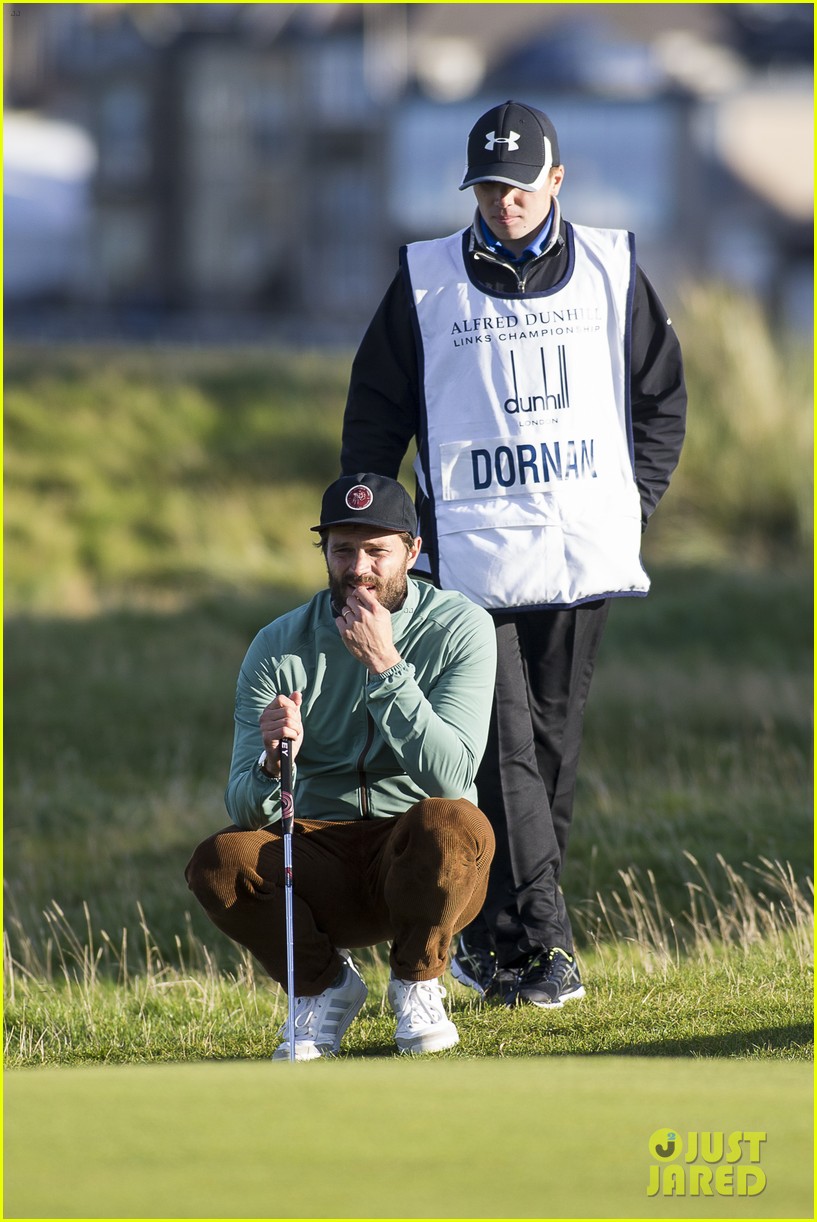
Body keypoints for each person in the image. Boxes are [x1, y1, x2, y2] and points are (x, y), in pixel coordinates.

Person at [340, 100, 687, 1009]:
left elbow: (660, 402)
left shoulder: (612, 270)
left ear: (556, 180)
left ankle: (505, 946)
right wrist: (379, 551)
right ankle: (548, 946)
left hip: (580, 564)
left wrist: (631, 506)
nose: (504, 204)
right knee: (499, 750)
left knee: (551, 752)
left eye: (520, 186)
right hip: (470, 569)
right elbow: (376, 417)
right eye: (489, 188)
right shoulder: (423, 282)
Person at [186, 473, 497, 1059]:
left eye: (377, 551)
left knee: (453, 823)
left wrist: (386, 668)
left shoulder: (461, 627)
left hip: (419, 858)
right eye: (343, 549)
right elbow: (242, 806)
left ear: (412, 550)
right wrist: (273, 764)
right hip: (317, 852)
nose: (359, 568)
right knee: (217, 863)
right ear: (324, 552)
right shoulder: (277, 644)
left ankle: (417, 981)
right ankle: (325, 987)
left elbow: (453, 776)